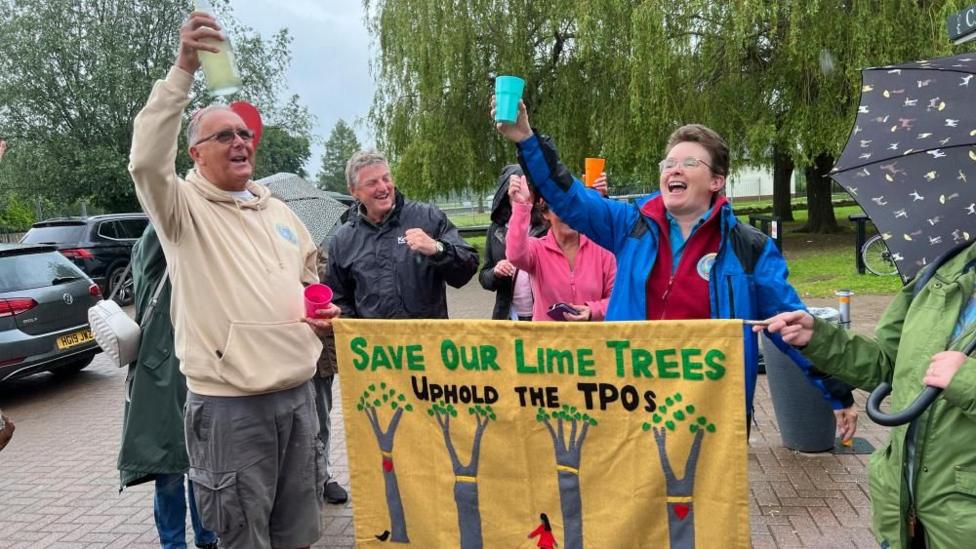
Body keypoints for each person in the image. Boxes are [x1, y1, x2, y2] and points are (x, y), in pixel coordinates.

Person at [494, 100, 857, 432]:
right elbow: (568, 196)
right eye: (668, 164)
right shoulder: (628, 226)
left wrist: (837, 392)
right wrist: (527, 138)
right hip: (630, 407)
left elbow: (793, 326)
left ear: (716, 181)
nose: (674, 170)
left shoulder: (749, 249)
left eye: (689, 163)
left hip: (710, 418)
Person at [128, 11, 338, 549]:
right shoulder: (181, 210)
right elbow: (146, 162)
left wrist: (319, 315)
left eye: (245, 133)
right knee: (242, 535)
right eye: (224, 135)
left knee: (299, 531)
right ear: (195, 154)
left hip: (298, 395)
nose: (240, 141)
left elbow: (307, 279)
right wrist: (183, 69)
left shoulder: (279, 210)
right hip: (230, 407)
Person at [761, 240, 976, 549]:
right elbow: (888, 364)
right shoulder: (942, 272)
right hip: (910, 507)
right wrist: (818, 338)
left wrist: (966, 380)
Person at [117, 224, 217, 549]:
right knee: (170, 469)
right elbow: (161, 224)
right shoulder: (151, 250)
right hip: (162, 373)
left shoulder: (194, 258)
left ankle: (207, 536)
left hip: (196, 367)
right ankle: (174, 544)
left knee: (201, 465)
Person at [326, 150, 479, 319]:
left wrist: (438, 249)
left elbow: (466, 270)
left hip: (427, 335)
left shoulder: (427, 217)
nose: (383, 188)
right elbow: (339, 299)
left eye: (386, 178)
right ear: (354, 191)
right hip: (373, 337)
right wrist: (342, 320)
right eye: (372, 183)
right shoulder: (343, 240)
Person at [505, 173, 616, 321]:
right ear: (546, 213)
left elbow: (618, 298)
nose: (569, 214)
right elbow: (515, 255)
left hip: (590, 335)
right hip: (548, 336)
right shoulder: (537, 249)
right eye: (560, 207)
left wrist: (593, 311)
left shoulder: (602, 250)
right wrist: (521, 206)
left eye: (575, 207)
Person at [479, 164, 549, 320]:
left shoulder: (548, 226)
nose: (523, 195)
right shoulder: (496, 230)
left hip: (543, 316)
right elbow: (484, 277)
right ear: (507, 193)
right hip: (509, 316)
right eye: (517, 190)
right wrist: (496, 272)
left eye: (528, 189)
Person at [313, 247, 348, 505]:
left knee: (321, 417)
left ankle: (325, 476)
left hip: (318, 353)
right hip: (278, 354)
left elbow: (333, 280)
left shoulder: (310, 246)